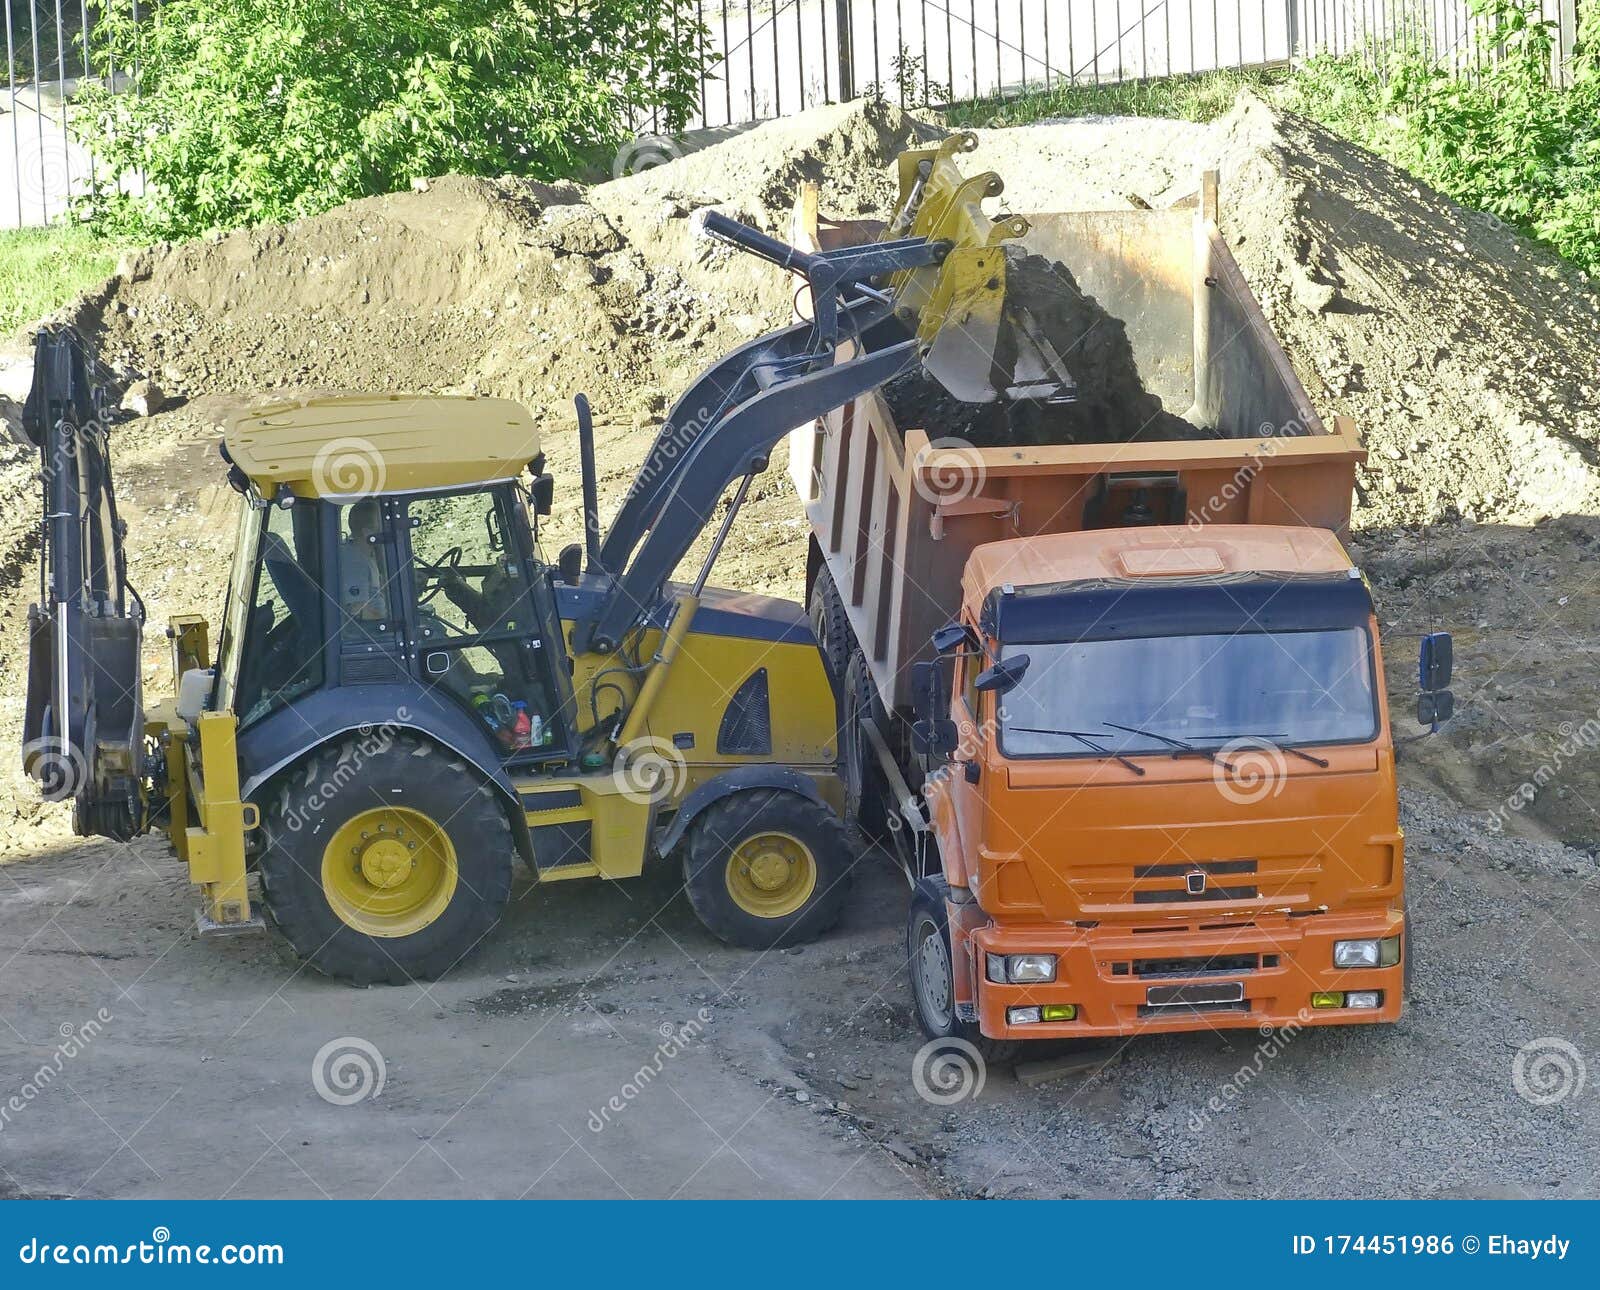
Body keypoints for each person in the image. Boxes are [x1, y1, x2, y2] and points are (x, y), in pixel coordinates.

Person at [339, 500, 388, 623]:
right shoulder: (354, 561)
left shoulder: (368, 555)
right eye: (382, 528)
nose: (387, 533)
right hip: (372, 629)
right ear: (368, 532)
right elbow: (356, 611)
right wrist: (391, 618)